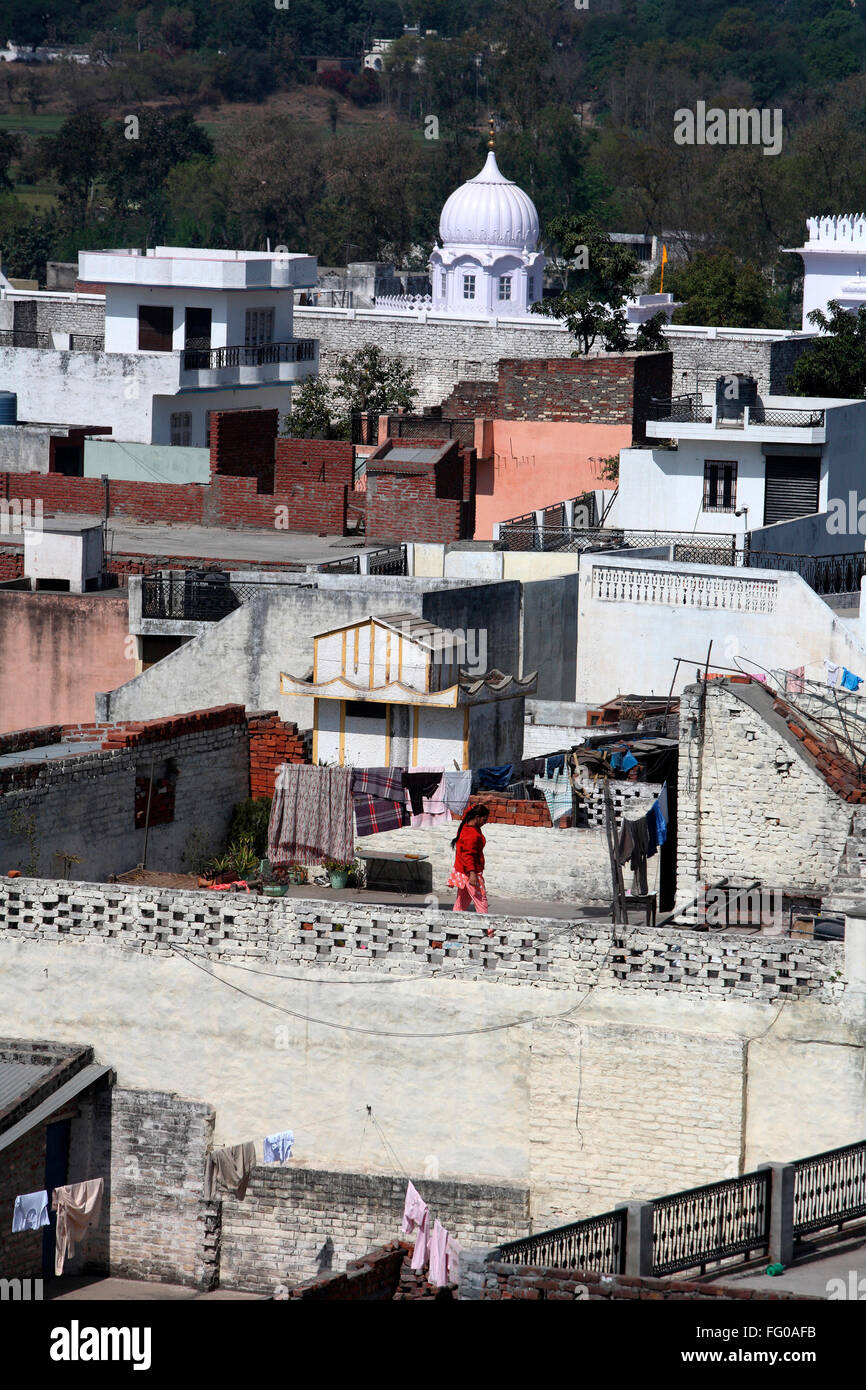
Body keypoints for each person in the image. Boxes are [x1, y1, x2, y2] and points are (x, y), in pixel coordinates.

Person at [448, 804, 490, 915]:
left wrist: (485, 801)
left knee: (462, 901)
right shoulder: (472, 834)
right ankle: (487, 928)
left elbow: (469, 811)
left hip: (462, 871)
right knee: (481, 900)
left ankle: (453, 924)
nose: (485, 822)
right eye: (484, 819)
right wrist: (472, 873)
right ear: (476, 817)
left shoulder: (465, 825)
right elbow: (469, 855)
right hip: (470, 873)